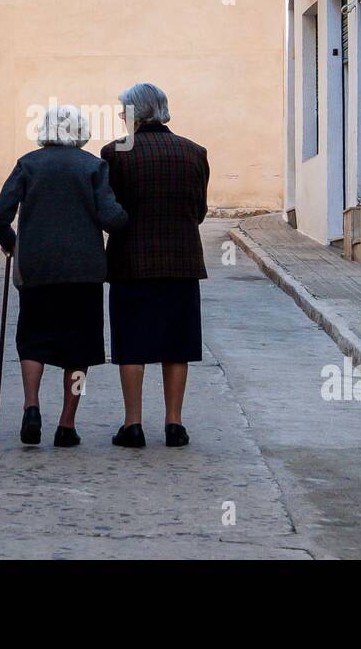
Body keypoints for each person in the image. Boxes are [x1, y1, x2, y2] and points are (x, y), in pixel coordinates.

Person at [0, 104, 128, 448]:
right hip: (84, 272)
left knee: (34, 337)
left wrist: (14, 245)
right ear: (80, 133)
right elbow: (112, 218)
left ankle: (31, 405)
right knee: (79, 348)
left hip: (37, 268)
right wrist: (125, 216)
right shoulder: (94, 166)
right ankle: (67, 424)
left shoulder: (29, 164)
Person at [101, 83, 209, 449]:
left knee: (131, 343)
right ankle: (174, 425)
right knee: (176, 344)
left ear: (132, 115)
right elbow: (199, 211)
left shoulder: (115, 155)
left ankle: (133, 425)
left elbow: (109, 212)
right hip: (181, 262)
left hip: (131, 263)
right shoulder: (194, 152)